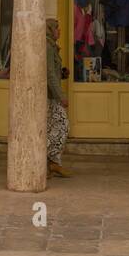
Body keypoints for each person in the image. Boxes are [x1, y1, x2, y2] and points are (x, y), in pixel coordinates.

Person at [46, 18, 71, 178]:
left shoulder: (52, 47)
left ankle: (53, 163)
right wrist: (61, 96)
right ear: (50, 30)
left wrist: (62, 73)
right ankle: (47, 161)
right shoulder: (47, 47)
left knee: (54, 128)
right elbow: (48, 74)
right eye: (57, 29)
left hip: (52, 95)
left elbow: (53, 72)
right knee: (62, 125)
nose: (59, 31)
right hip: (49, 96)